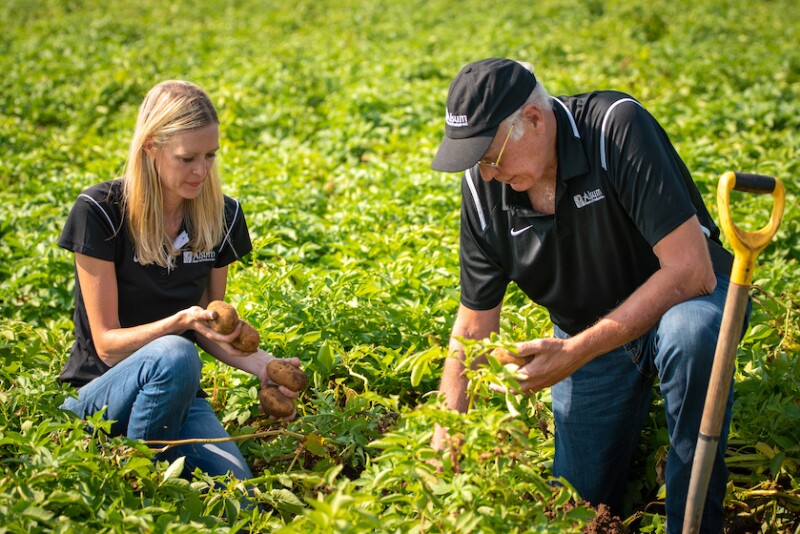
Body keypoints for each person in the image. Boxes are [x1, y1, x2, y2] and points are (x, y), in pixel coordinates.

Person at [429, 58, 749, 533]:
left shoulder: (615, 129)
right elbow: (474, 326)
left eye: (492, 157)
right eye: (477, 161)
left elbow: (691, 271)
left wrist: (573, 353)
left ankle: (694, 522)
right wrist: (446, 435)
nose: (488, 175)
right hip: (588, 334)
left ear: (534, 121)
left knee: (691, 335)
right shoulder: (483, 191)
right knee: (578, 507)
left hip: (686, 299)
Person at [58, 80, 302, 481]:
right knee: (175, 352)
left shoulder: (222, 217)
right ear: (151, 147)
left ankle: (147, 470)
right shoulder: (100, 212)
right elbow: (106, 345)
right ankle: (137, 480)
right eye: (187, 158)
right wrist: (179, 324)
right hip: (100, 394)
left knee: (235, 490)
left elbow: (211, 329)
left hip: (176, 396)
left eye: (210, 156)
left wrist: (264, 366)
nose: (202, 171)